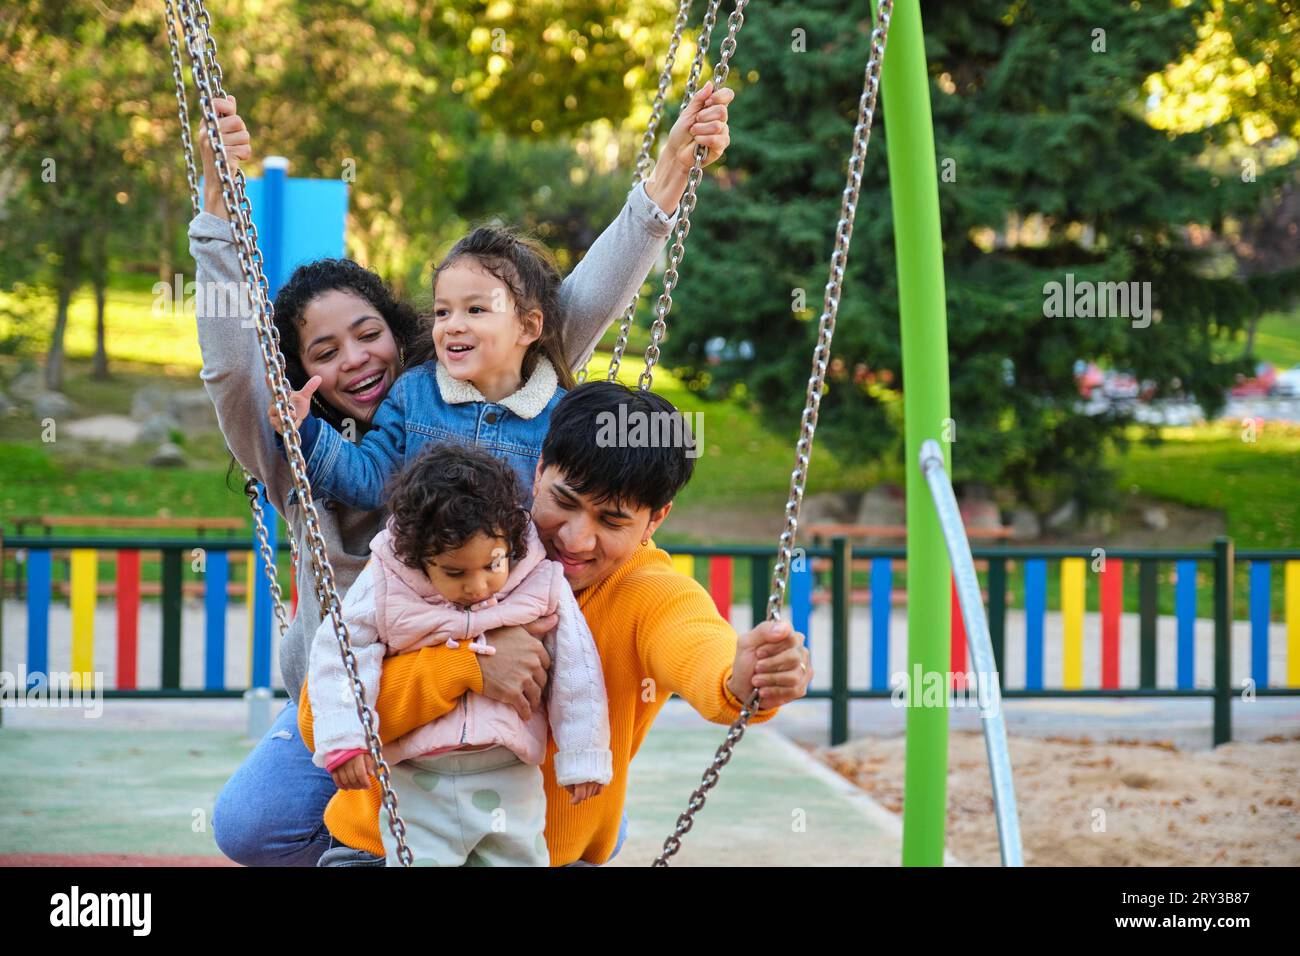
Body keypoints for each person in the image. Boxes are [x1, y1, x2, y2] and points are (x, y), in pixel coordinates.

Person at [192, 87, 734, 866]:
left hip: (504, 675)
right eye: (324, 352)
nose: (355, 360)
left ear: (402, 335)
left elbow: (571, 305)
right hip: (366, 689)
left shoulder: (451, 389)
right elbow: (228, 372)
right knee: (252, 826)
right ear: (294, 372)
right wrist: (217, 210)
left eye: (369, 333)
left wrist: (667, 180)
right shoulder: (287, 442)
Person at [299, 382, 814, 866]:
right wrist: (466, 668)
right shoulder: (456, 542)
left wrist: (740, 680)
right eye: (563, 501)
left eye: (612, 522)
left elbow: (694, 640)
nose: (576, 539)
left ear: (656, 519)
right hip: (384, 846)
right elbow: (315, 716)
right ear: (540, 468)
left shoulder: (648, 590)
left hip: (540, 853)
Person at [309, 444, 611, 866]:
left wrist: (583, 755)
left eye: (493, 565)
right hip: (419, 777)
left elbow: (577, 670)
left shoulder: (539, 581)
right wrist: (346, 736)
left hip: (509, 772)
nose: (478, 587)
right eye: (455, 573)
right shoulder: (388, 581)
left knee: (517, 858)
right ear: (418, 557)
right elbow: (341, 652)